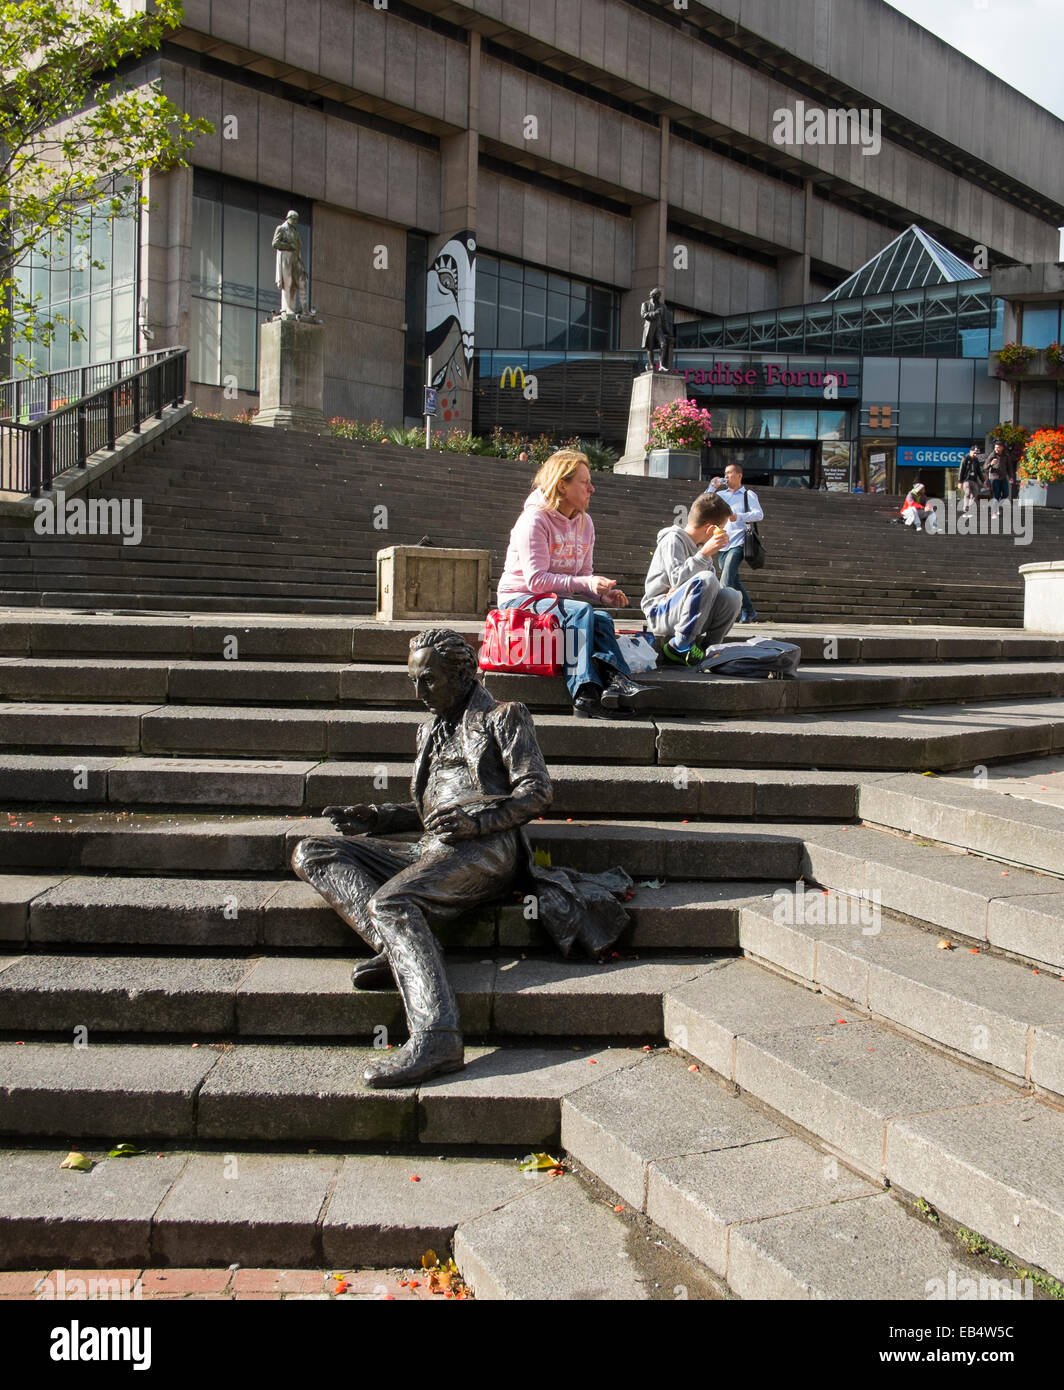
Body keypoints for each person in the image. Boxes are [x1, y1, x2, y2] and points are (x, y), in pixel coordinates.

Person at [290, 629, 632, 1088]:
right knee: (312, 850)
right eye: (414, 680)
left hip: (485, 848)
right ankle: (400, 949)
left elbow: (536, 792)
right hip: (429, 845)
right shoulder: (428, 728)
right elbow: (426, 808)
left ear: (462, 673)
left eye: (427, 680)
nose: (418, 692)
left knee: (391, 904)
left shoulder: (504, 717)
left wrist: (479, 824)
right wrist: (377, 815)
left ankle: (438, 1037)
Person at [497, 449, 654, 719]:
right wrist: (586, 583)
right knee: (581, 612)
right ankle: (584, 693)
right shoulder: (534, 520)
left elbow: (582, 575)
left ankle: (618, 681)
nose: (591, 489)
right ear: (562, 485)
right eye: (584, 482)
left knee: (601, 618)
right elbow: (536, 581)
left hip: (554, 602)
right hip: (519, 599)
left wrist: (602, 594)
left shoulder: (585, 523)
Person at [641, 492, 741, 666]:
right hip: (660, 612)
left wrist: (701, 560)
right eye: (722, 528)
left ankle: (710, 648)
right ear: (711, 529)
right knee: (706, 579)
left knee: (732, 596)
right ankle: (679, 645)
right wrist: (703, 556)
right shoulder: (673, 540)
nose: (723, 533)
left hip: (682, 610)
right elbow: (677, 580)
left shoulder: (702, 549)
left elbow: (711, 590)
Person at [705, 462, 762, 622]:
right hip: (722, 543)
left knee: (726, 579)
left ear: (739, 475)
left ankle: (716, 616)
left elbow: (759, 514)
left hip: (739, 541)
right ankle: (749, 610)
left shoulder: (748, 495)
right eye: (725, 474)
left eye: (730, 473)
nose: (727, 477)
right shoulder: (722, 495)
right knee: (733, 578)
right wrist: (712, 487)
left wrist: (739, 516)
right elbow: (704, 502)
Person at [986, 441, 1012, 516]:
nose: (996, 449)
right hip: (994, 478)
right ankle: (994, 512)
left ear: (1002, 448)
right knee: (996, 495)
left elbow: (1009, 468)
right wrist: (991, 464)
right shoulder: (992, 455)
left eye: (998, 447)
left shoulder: (1006, 456)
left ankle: (997, 505)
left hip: (1003, 478)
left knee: (1006, 493)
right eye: (995, 447)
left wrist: (1011, 477)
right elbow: (985, 467)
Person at [959, 444, 985, 514]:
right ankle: (965, 507)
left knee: (974, 495)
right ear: (971, 451)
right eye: (974, 453)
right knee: (967, 492)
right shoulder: (965, 458)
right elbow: (961, 470)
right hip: (966, 480)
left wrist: (983, 481)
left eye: (977, 453)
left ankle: (969, 507)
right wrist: (960, 481)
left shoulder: (976, 460)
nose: (975, 454)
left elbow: (979, 472)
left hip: (974, 480)